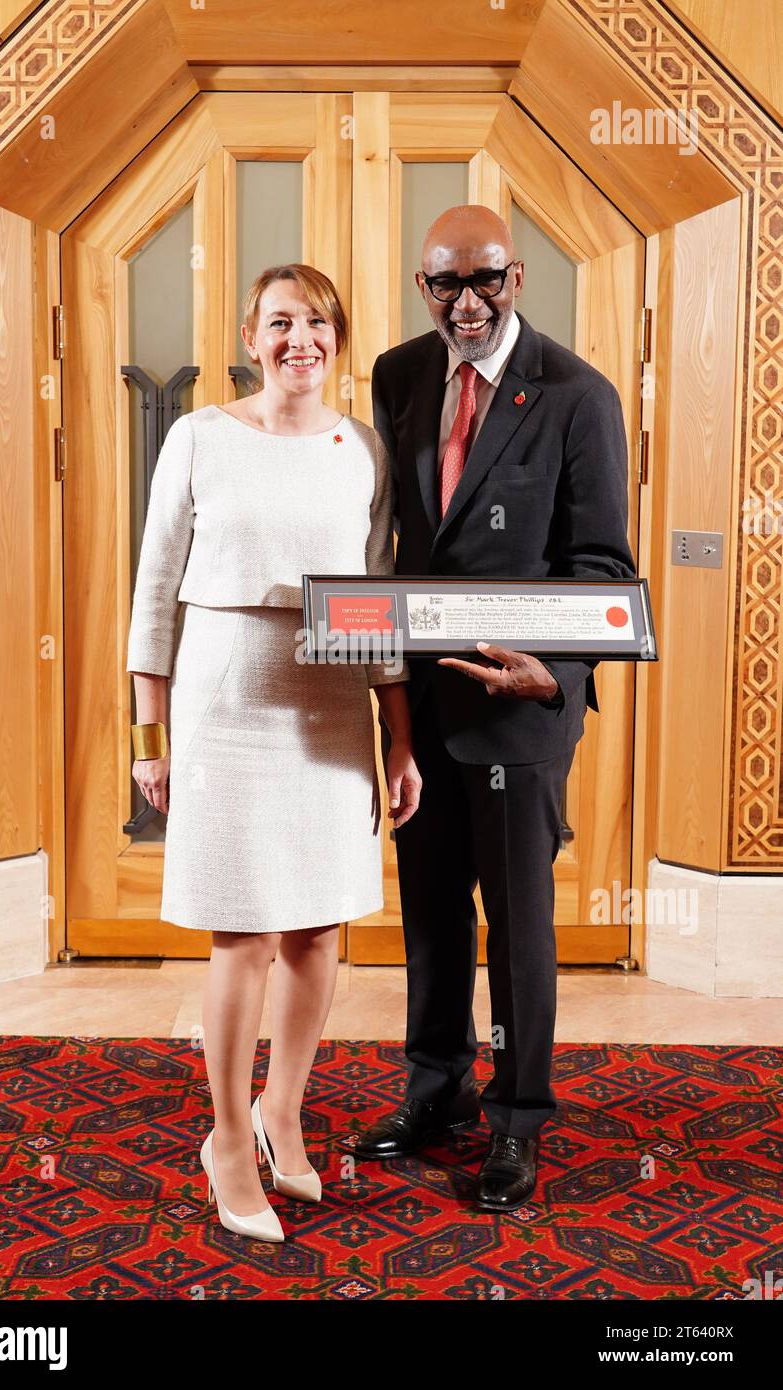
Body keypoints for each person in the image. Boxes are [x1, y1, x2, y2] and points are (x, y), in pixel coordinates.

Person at [126, 263, 420, 1242]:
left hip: (331, 707)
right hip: (223, 705)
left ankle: (282, 1111)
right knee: (243, 931)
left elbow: (377, 602)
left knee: (318, 930)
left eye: (319, 321)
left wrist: (400, 741)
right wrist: (148, 737)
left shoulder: (360, 449)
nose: (302, 338)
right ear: (251, 338)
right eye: (282, 321)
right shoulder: (200, 436)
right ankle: (222, 1136)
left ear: (339, 337)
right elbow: (154, 587)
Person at [351, 205, 636, 1211]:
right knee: (429, 917)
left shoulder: (579, 396)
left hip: (522, 710)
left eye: (485, 281)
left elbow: (605, 568)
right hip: (420, 705)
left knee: (515, 929)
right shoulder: (397, 374)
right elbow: (394, 536)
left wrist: (551, 668)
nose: (465, 303)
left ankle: (517, 1120)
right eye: (444, 284)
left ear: (518, 277)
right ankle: (438, 1091)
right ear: (422, 286)